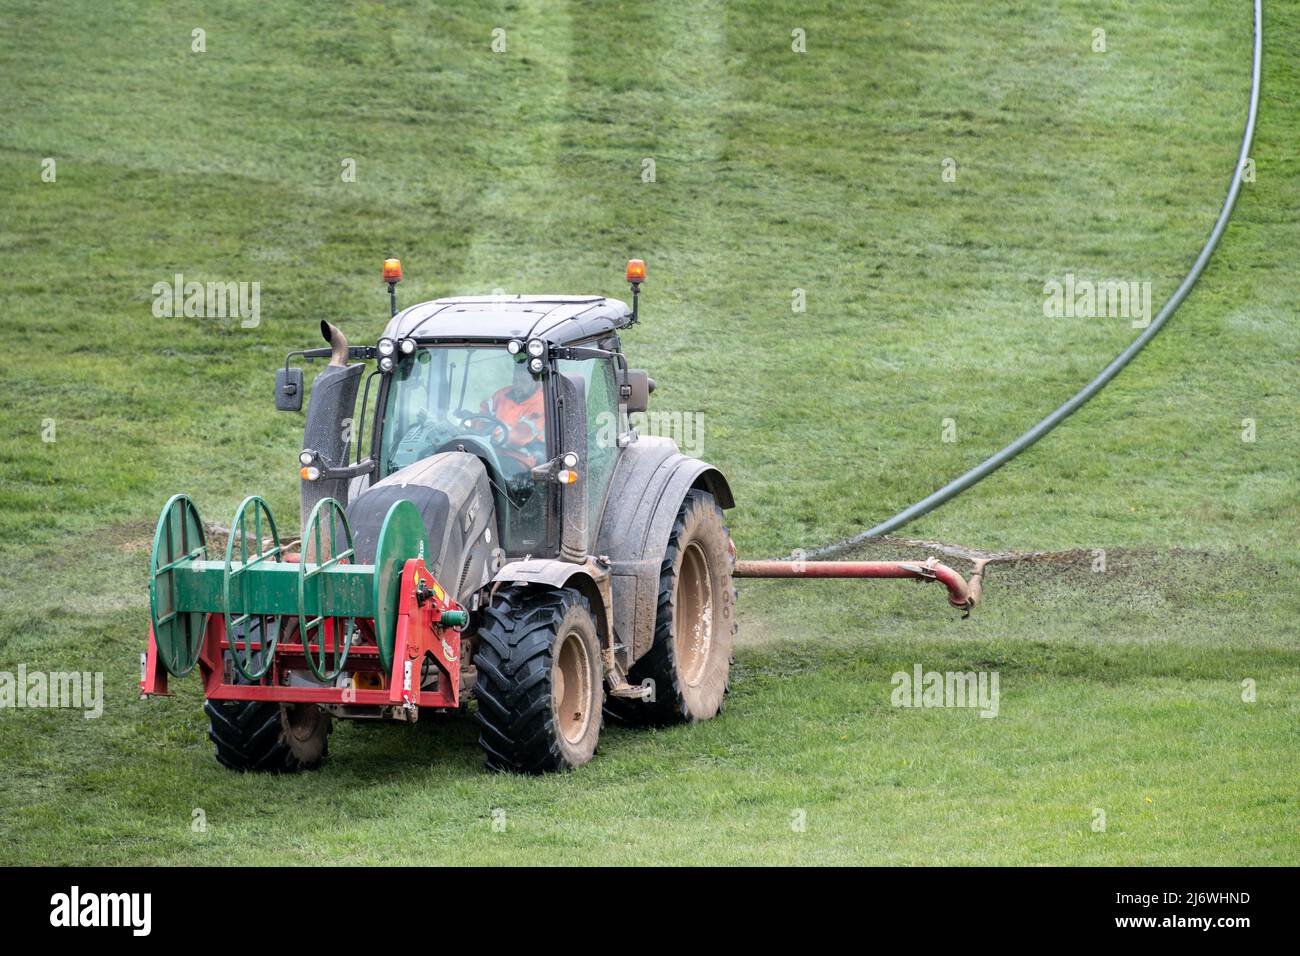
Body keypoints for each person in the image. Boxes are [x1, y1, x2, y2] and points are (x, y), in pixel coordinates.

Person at [483, 359, 546, 469]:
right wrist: (474, 423)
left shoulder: (540, 404)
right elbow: (484, 412)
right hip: (494, 451)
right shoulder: (502, 394)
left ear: (534, 382)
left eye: (523, 382)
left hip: (522, 458)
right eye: (515, 380)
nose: (517, 385)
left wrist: (495, 433)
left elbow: (519, 437)